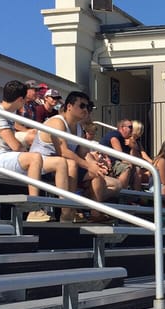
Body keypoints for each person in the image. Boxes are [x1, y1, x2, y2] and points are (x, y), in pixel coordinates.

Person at [0, 80, 72, 223]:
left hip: (6, 156)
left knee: (59, 162)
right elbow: (15, 146)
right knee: (34, 158)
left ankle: (66, 213)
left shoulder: (10, 112)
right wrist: (30, 153)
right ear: (20, 99)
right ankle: (33, 209)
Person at [29, 91, 107, 222]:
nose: (85, 110)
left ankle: (95, 214)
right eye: (81, 106)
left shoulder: (79, 128)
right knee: (70, 164)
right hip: (41, 164)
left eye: (87, 107)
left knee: (97, 174)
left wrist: (95, 166)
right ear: (69, 106)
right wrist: (88, 165)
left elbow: (84, 153)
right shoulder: (57, 122)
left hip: (61, 166)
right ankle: (67, 211)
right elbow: (63, 151)